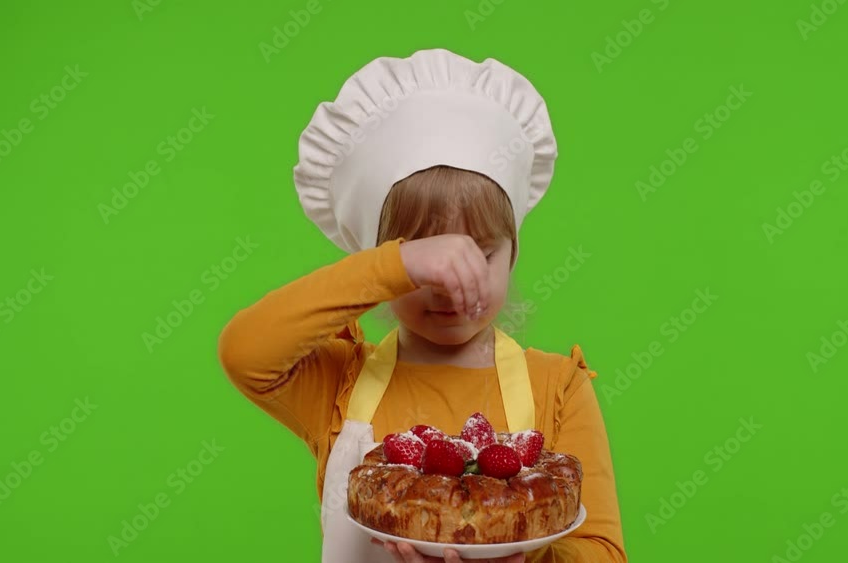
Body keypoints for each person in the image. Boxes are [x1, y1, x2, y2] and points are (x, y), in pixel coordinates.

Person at [218, 49, 627, 563]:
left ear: (512, 253)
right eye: (427, 263)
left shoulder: (557, 388)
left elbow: (603, 552)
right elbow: (245, 351)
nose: (451, 286)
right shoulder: (338, 384)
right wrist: (394, 267)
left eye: (478, 254)